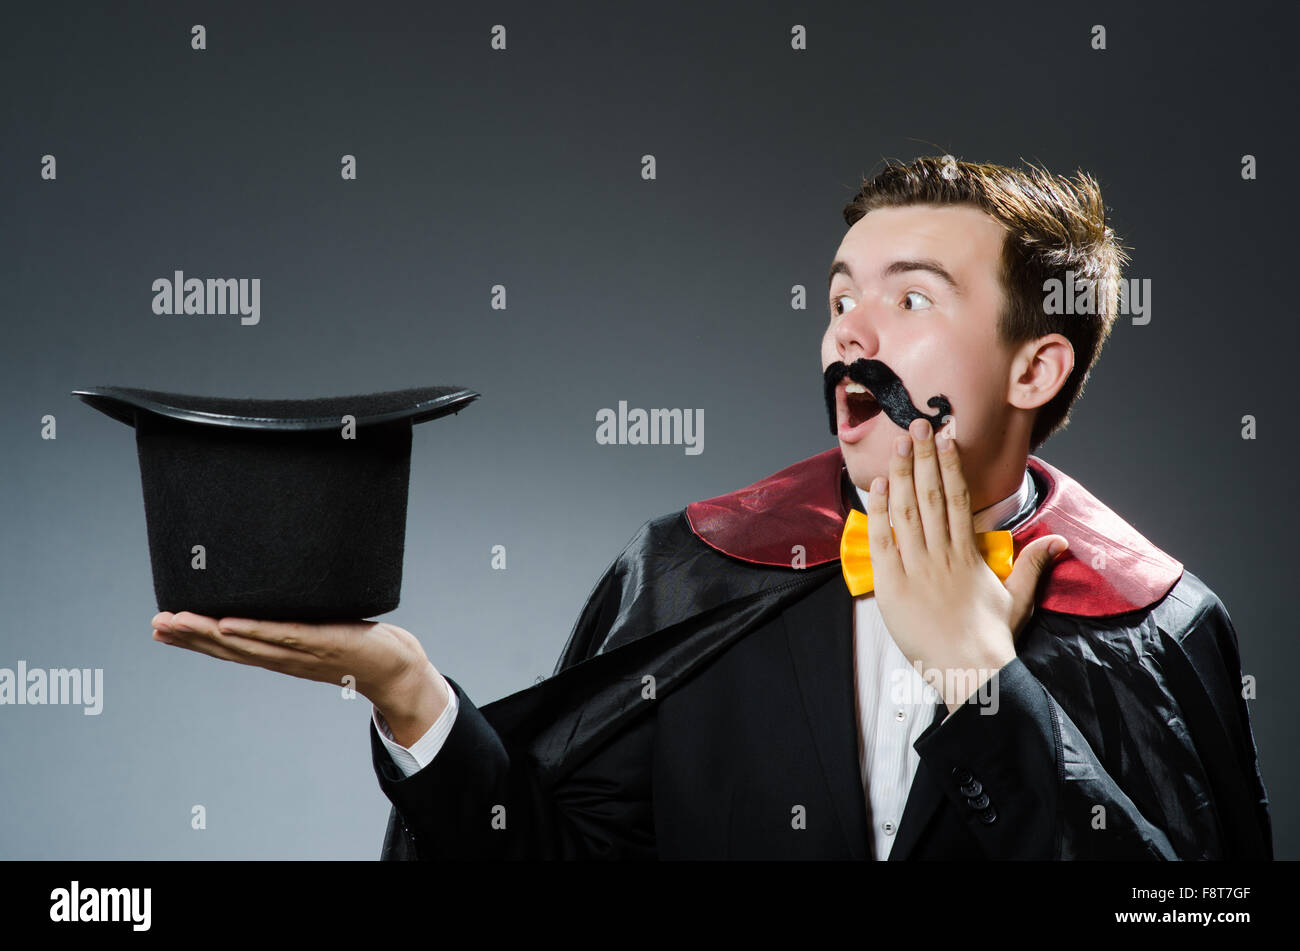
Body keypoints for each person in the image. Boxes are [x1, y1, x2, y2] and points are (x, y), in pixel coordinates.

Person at [151, 156, 1272, 860]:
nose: (849, 334)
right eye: (840, 299)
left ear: (1033, 371)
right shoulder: (695, 570)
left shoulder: (1150, 620)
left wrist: (982, 685)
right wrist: (409, 696)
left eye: (910, 298)